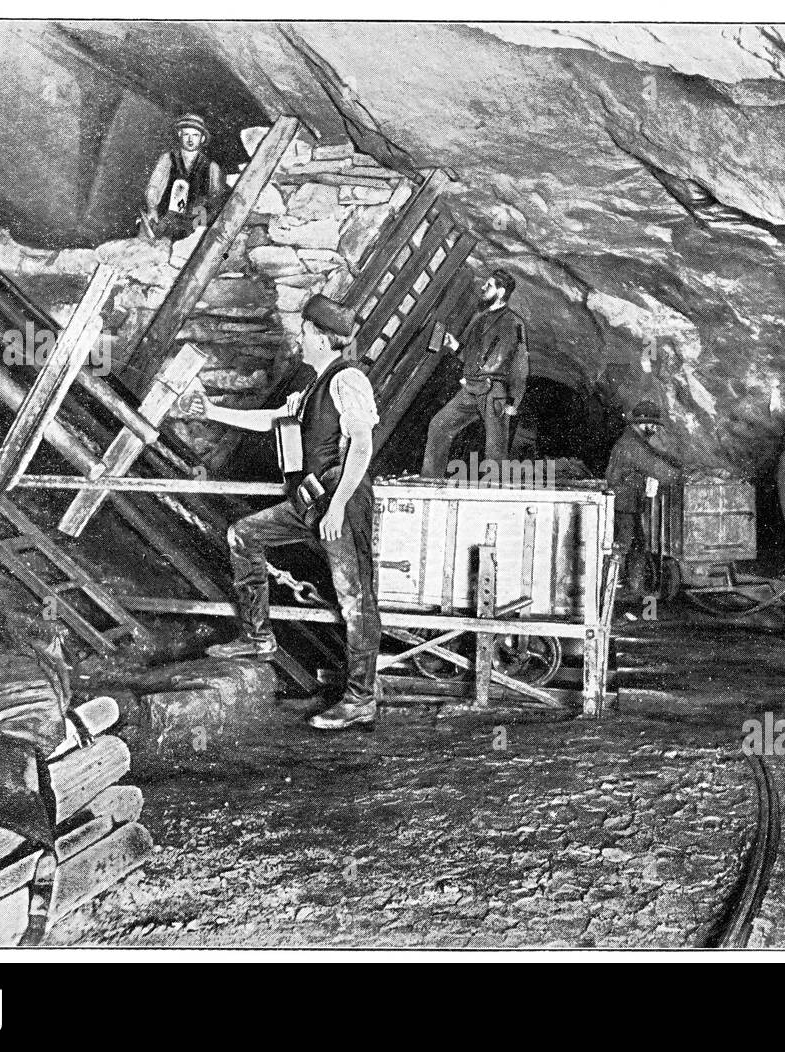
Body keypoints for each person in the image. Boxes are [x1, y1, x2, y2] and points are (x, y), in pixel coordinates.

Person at [182, 295, 382, 732]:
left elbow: (362, 446)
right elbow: (274, 420)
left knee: (354, 599)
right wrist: (212, 410)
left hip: (340, 503)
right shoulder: (312, 387)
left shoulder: (348, 380)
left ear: (323, 338)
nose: (301, 339)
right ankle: (257, 636)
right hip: (311, 501)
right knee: (243, 535)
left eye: (307, 332)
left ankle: (361, 698)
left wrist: (340, 505)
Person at [421, 269, 528, 478]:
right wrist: (454, 346)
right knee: (439, 426)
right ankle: (430, 480)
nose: (483, 288)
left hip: (493, 390)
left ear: (501, 291)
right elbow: (469, 356)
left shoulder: (514, 322)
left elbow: (520, 363)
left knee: (495, 448)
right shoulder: (480, 320)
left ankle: (496, 494)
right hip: (470, 388)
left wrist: (514, 401)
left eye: (488, 286)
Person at [605, 399, 681, 551]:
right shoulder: (632, 444)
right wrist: (682, 475)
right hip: (624, 508)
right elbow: (656, 467)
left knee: (635, 549)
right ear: (642, 423)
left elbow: (654, 455)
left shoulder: (632, 439)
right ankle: (622, 575)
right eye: (653, 425)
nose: (655, 429)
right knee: (628, 551)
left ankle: (624, 574)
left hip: (626, 506)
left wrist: (674, 461)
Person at [142, 113, 226, 240]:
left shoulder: (212, 167)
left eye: (195, 135)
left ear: (202, 138)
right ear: (180, 135)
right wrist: (152, 208)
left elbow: (216, 198)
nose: (190, 140)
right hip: (168, 220)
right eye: (186, 134)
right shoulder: (167, 159)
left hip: (196, 224)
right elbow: (154, 186)